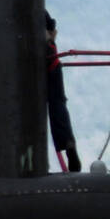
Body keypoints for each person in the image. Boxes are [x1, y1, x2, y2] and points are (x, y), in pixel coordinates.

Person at [45, 10, 80, 172]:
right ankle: (68, 145)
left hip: (39, 56)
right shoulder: (38, 11)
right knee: (57, 103)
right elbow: (51, 25)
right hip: (49, 57)